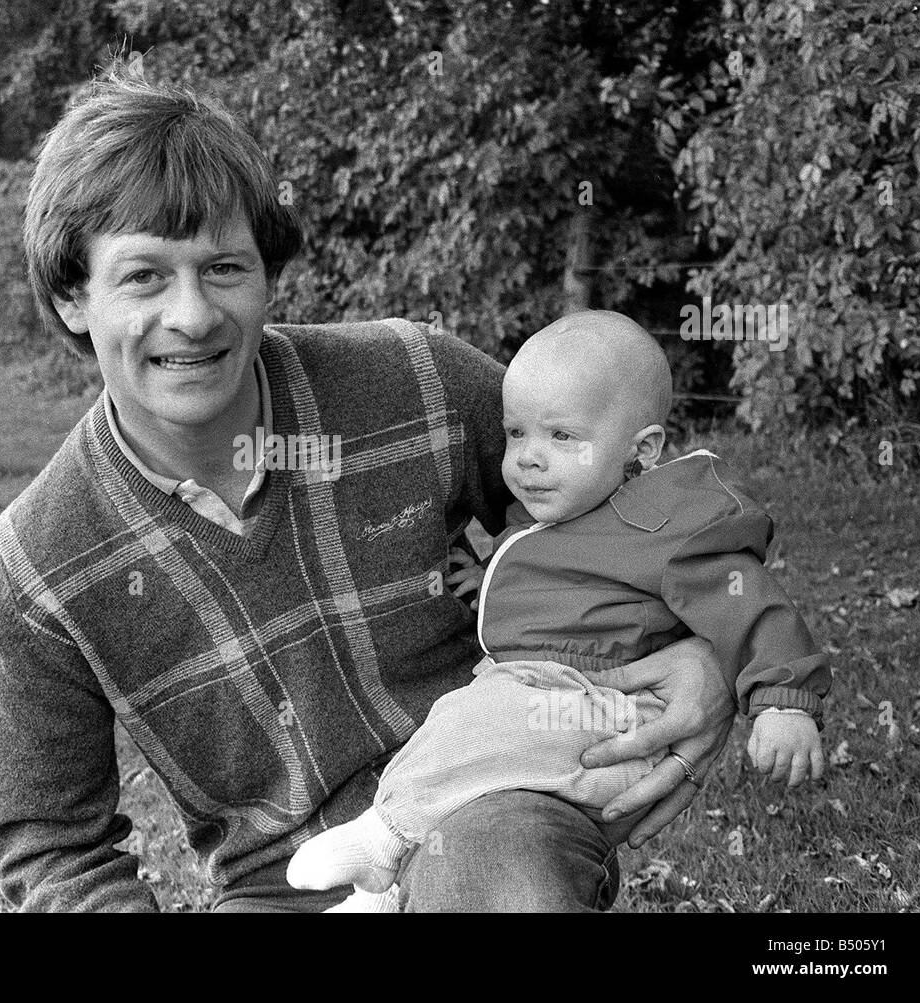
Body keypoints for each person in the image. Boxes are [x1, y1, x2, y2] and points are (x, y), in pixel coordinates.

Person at [0, 67, 737, 913]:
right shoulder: (37, 561)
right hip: (280, 888)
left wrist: (708, 656)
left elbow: (646, 509)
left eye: (223, 266)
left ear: (268, 275)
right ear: (74, 296)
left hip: (485, 809)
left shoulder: (414, 380)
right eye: (144, 276)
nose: (192, 315)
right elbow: (53, 846)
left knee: (495, 876)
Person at [286, 311, 831, 911]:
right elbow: (552, 576)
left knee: (476, 726)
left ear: (642, 450)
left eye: (561, 437)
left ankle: (383, 837)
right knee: (461, 721)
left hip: (605, 713)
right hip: (549, 694)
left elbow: (752, 603)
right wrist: (487, 574)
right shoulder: (574, 514)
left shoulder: (669, 524)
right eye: (515, 434)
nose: (528, 458)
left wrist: (783, 701)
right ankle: (389, 894)